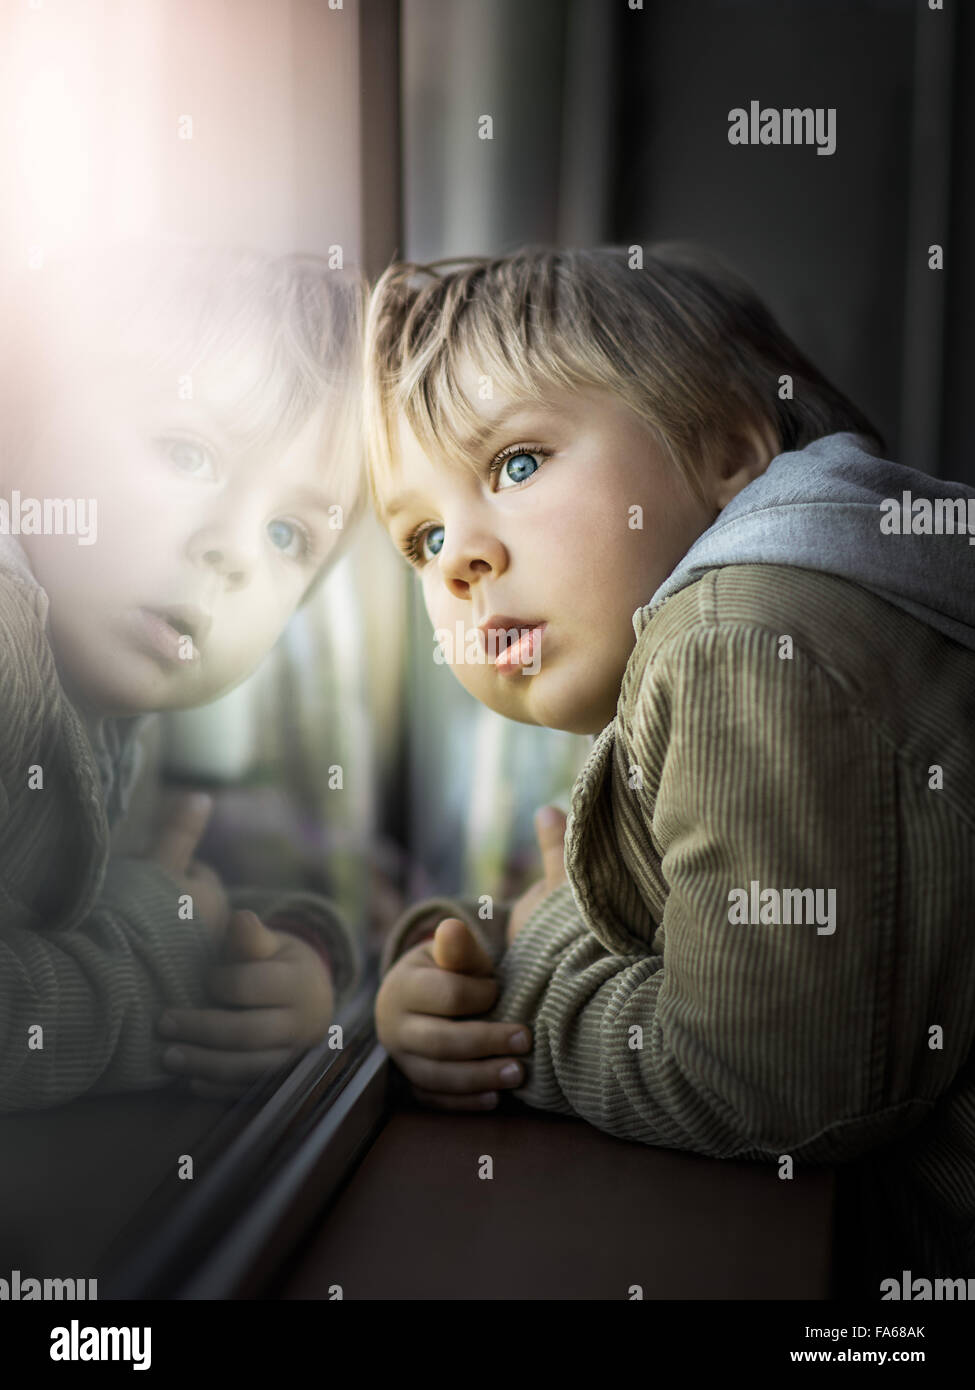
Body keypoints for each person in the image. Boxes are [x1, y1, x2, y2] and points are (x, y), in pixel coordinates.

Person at [365, 244, 975, 1292]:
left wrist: (519, 986)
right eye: (420, 537)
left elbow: (768, 1083)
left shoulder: (744, 639)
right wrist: (454, 958)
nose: (458, 556)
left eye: (515, 464)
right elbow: (637, 922)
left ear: (731, 448)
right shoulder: (729, 636)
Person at [0, 243, 365, 1111]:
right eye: (189, 453)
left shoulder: (118, 704)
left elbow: (186, 891)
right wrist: (162, 967)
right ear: (18, 428)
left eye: (288, 536)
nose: (233, 549)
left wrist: (293, 956)